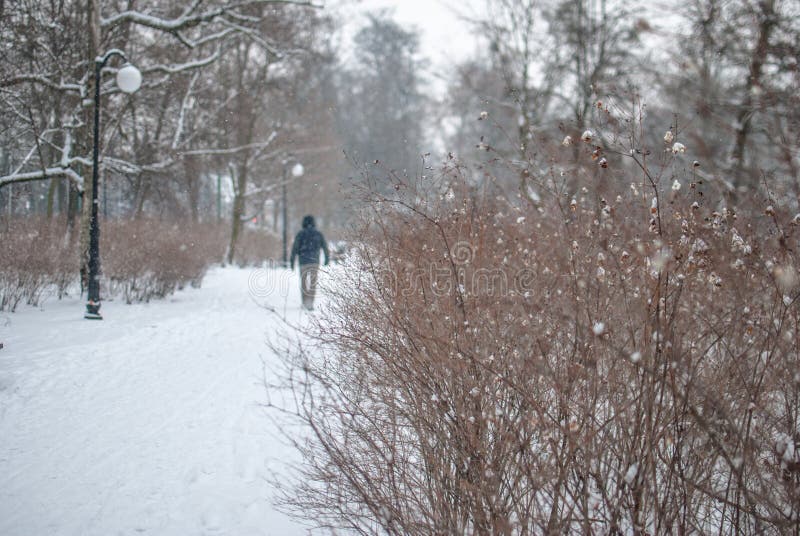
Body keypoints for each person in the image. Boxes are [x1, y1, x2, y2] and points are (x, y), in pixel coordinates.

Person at [290, 215, 330, 310]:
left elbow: (295, 248)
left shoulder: (300, 234)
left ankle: (304, 302)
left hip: (303, 262)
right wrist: (326, 258)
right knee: (313, 283)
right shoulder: (318, 234)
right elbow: (324, 247)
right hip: (314, 261)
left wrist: (292, 261)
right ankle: (310, 303)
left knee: (303, 282)